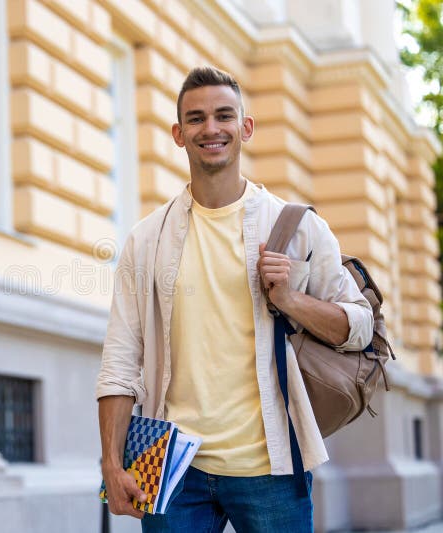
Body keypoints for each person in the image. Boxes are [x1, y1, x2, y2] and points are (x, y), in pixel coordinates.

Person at [95, 65, 374, 532]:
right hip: (170, 467)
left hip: (270, 466)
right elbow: (121, 359)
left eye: (224, 115)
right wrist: (110, 463)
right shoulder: (146, 240)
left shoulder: (297, 226)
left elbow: (360, 327)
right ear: (178, 134)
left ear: (245, 127)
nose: (211, 128)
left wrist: (291, 299)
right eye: (197, 118)